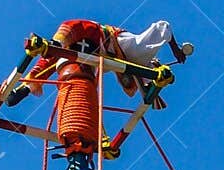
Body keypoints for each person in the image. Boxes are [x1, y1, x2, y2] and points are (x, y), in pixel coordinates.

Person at [19, 18, 189, 152]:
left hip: (102, 51)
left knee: (75, 71)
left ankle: (26, 86)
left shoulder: (134, 56)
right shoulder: (136, 49)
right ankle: (25, 87)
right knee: (67, 63)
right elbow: (163, 26)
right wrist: (176, 49)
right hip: (97, 42)